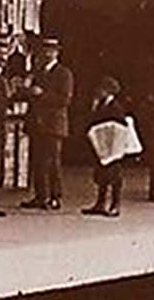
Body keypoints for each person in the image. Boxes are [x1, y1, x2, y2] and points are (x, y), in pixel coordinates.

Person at [21, 36, 76, 210]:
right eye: (45, 50)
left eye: (51, 51)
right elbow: (28, 95)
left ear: (57, 53)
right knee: (37, 161)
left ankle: (55, 196)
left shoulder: (64, 73)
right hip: (37, 123)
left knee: (52, 161)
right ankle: (40, 196)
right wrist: (26, 89)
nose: (47, 53)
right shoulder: (37, 72)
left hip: (53, 124)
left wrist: (41, 94)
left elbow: (64, 99)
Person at [83, 76, 139, 217]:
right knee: (102, 174)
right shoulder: (101, 104)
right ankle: (100, 203)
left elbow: (119, 125)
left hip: (113, 147)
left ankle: (115, 204)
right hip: (103, 146)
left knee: (114, 175)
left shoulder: (115, 107)